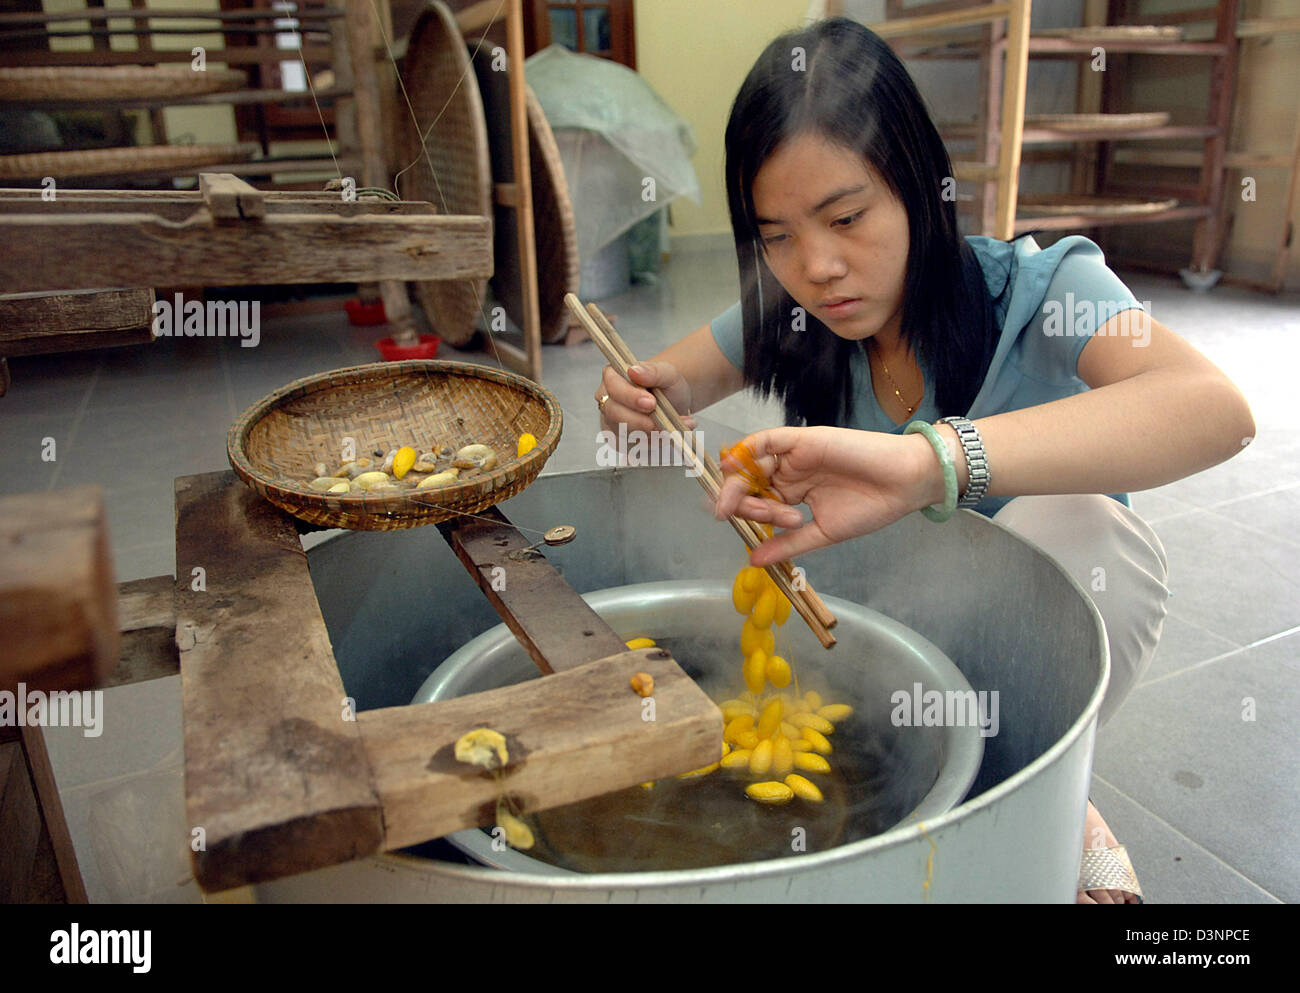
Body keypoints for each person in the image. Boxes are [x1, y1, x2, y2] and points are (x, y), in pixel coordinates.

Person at [593, 18, 1254, 904]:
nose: (817, 267)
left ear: (919, 184)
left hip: (1013, 637)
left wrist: (935, 462)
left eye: (847, 217)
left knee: (1086, 529)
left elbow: (1217, 408)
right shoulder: (793, 313)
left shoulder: (1044, 290)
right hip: (880, 629)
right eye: (776, 235)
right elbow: (669, 383)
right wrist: (644, 399)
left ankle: (1056, 778)